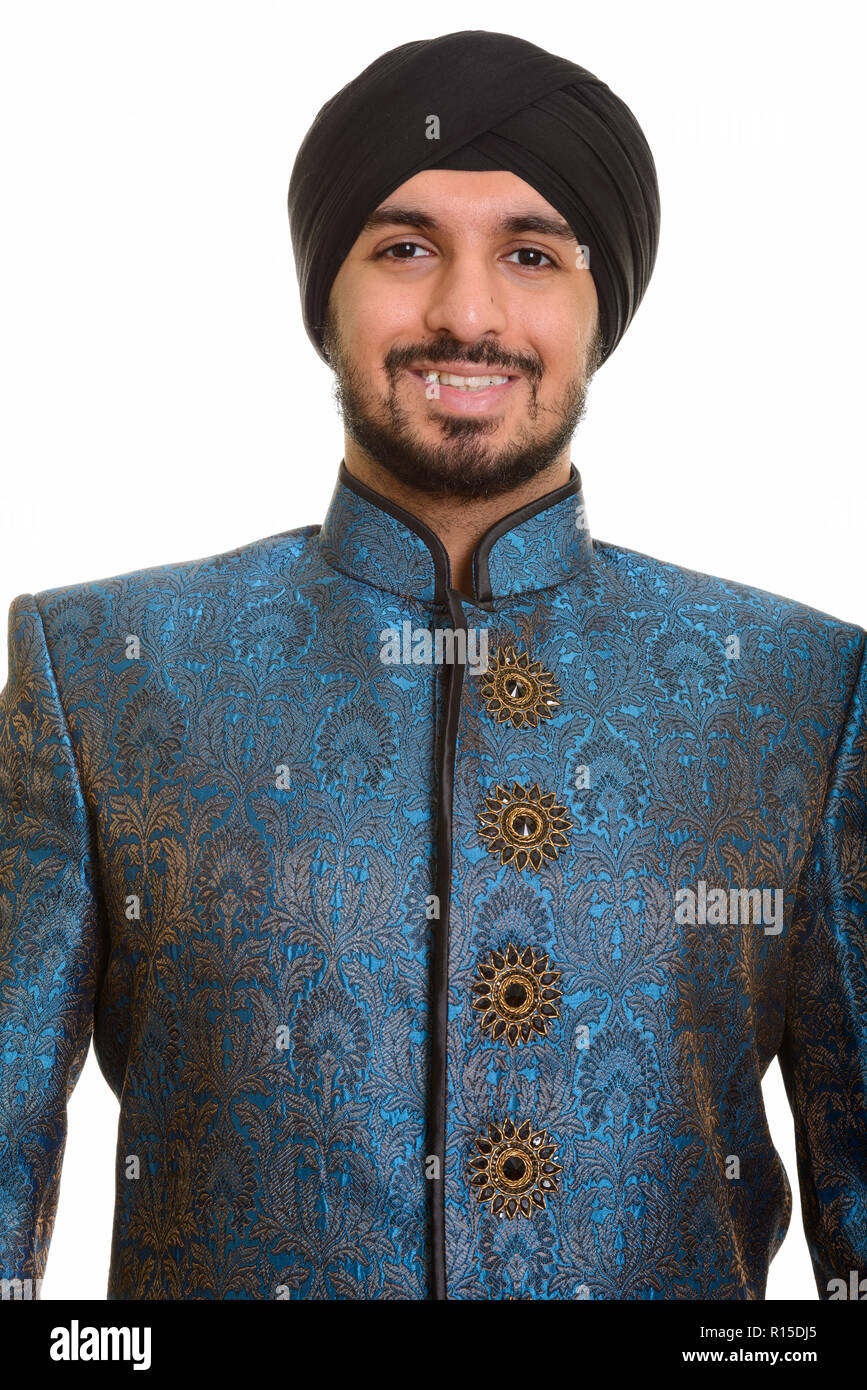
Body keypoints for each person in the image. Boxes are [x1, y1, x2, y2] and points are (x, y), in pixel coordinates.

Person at [0, 30, 864, 1302]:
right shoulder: (105, 675)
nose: (467, 312)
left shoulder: (801, 693)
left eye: (532, 253)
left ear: (599, 302)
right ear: (327, 294)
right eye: (404, 248)